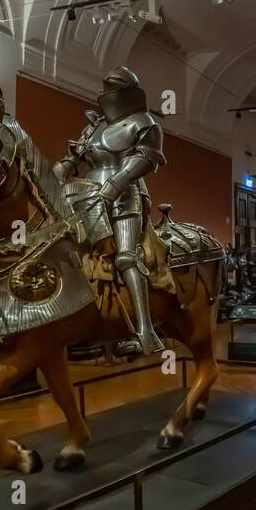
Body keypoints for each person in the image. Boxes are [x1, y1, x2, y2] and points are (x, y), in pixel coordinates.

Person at [54, 67, 166, 357]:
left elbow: (147, 157)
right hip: (86, 196)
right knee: (76, 257)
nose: (110, 91)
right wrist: (54, 174)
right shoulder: (94, 127)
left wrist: (117, 183)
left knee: (127, 257)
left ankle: (146, 333)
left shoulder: (144, 123)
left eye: (116, 86)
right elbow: (74, 158)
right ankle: (88, 329)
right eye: (107, 86)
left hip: (126, 194)